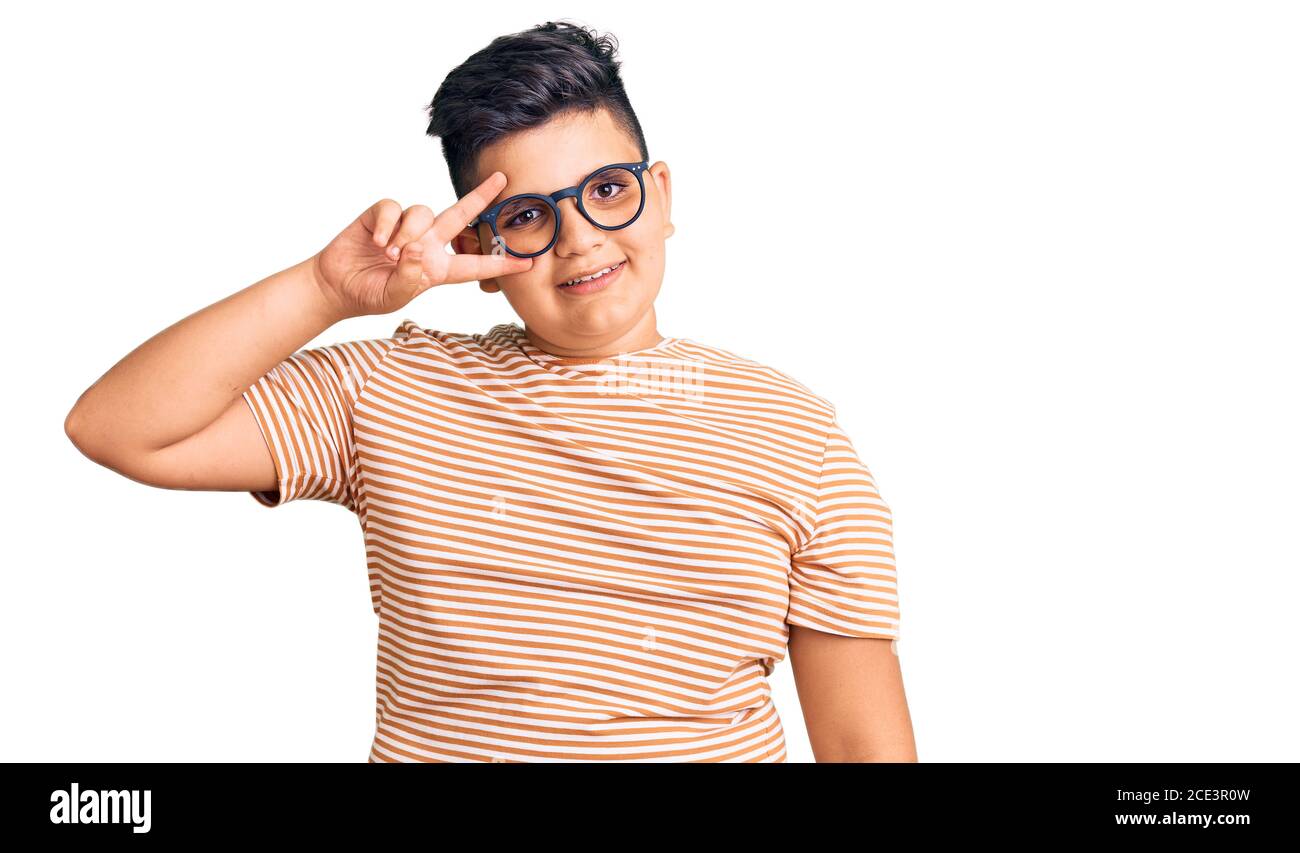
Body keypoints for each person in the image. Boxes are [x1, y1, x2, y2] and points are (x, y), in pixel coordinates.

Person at [64, 20, 915, 763]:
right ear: (477, 244)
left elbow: (863, 745)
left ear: (660, 197)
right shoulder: (393, 389)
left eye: (608, 191)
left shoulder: (796, 433)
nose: (580, 242)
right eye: (530, 215)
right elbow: (118, 428)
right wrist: (325, 290)